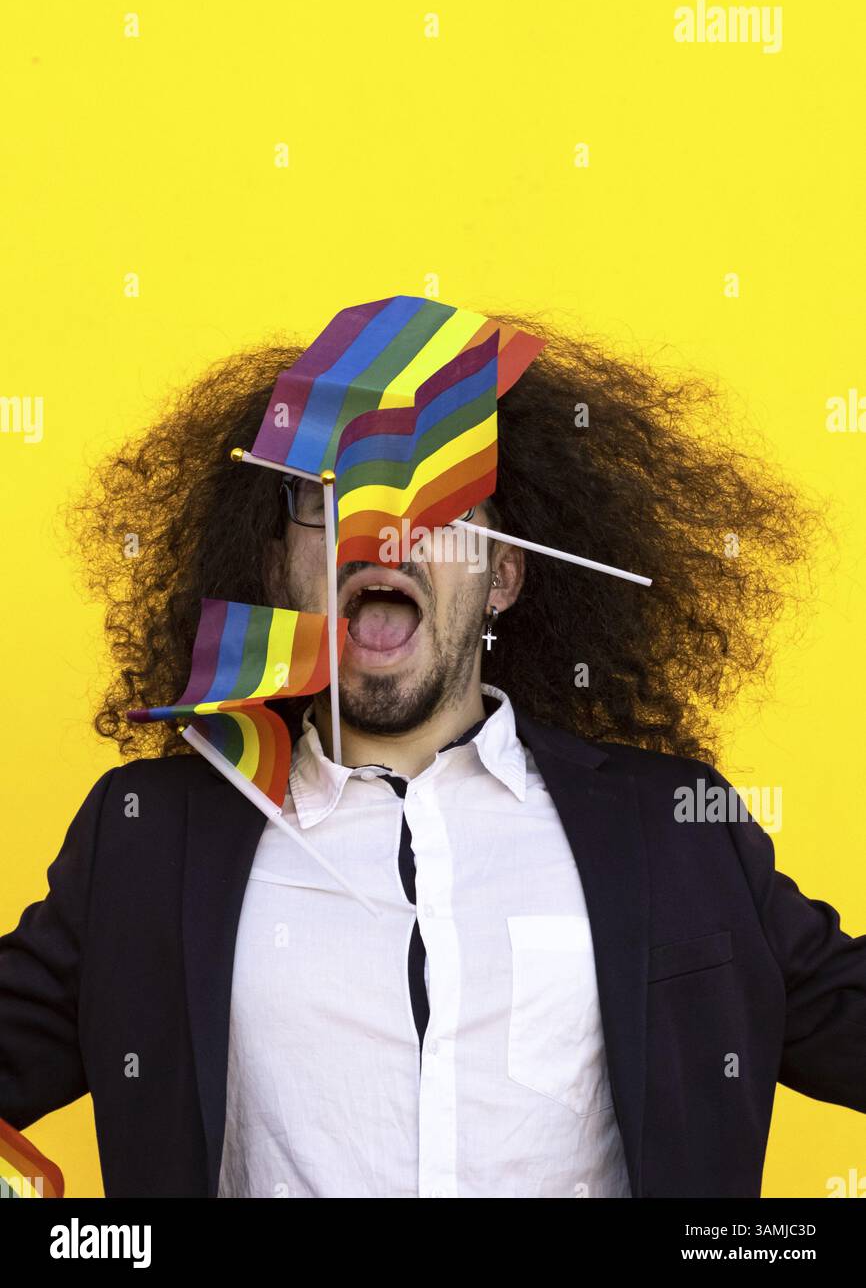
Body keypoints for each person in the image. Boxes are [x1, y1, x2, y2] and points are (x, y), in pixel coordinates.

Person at [1, 315, 864, 1197]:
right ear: (274, 571)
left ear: (505, 573)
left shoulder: (678, 825)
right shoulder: (148, 839)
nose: (385, 535)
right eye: (332, 495)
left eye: (437, 504)